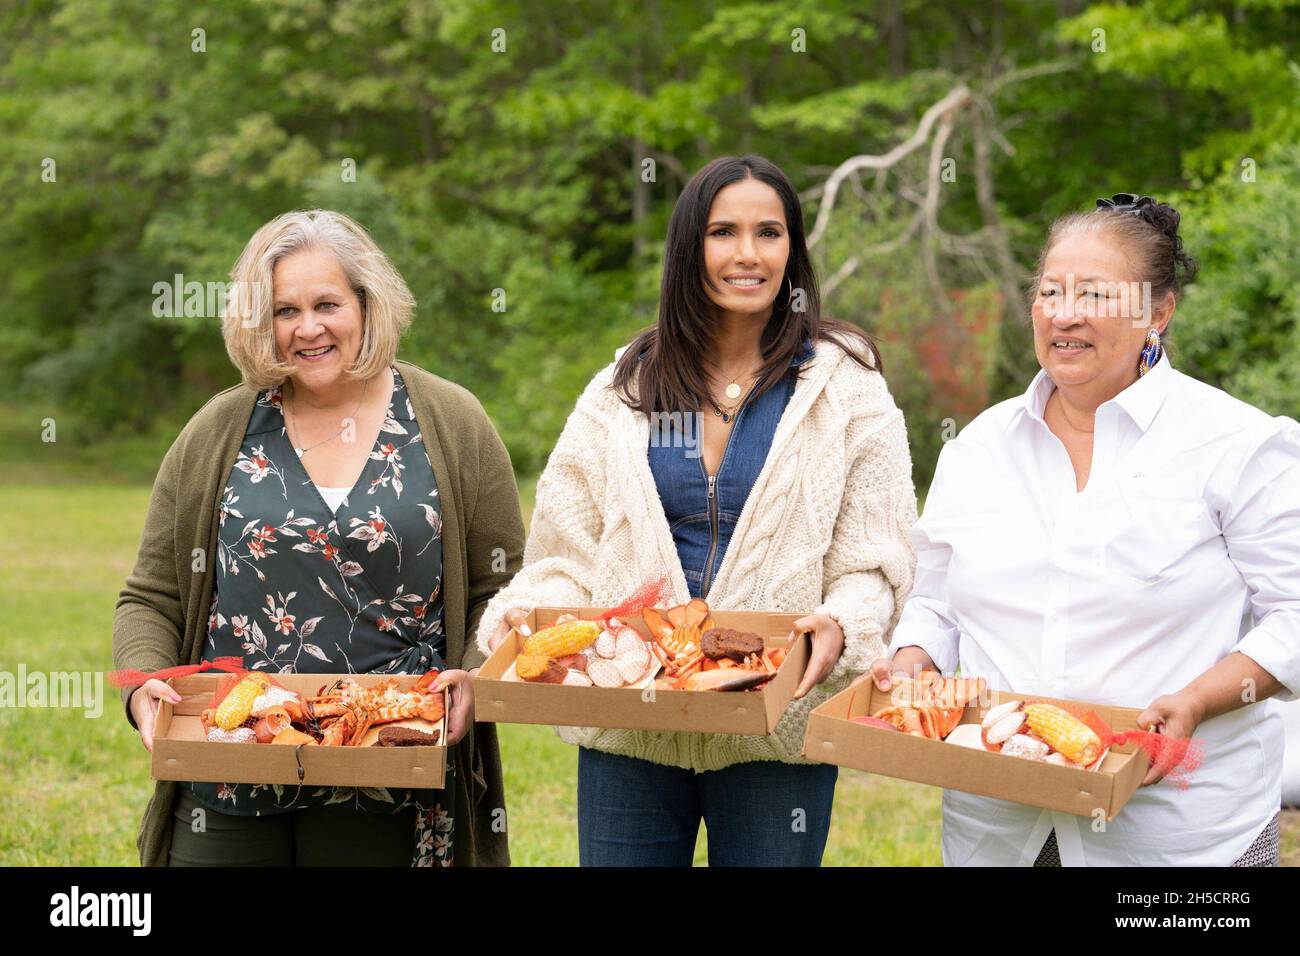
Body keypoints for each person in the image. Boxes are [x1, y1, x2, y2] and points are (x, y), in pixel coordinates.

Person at [477, 155, 918, 866]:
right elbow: (565, 553)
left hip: (778, 733)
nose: (748, 254)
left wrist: (843, 624)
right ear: (691, 249)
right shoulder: (624, 389)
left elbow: (876, 559)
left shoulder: (847, 389)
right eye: (724, 232)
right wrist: (532, 618)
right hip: (631, 727)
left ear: (792, 249)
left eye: (768, 233)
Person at [864, 193, 1300, 866]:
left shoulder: (1238, 445)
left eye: (1094, 294)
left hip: (1173, 837)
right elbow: (936, 600)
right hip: (1000, 827)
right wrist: (915, 662)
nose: (1065, 314)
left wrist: (1194, 701)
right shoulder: (977, 450)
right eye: (1050, 291)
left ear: (1159, 311)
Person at [113, 209, 523, 866]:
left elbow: (502, 586)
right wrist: (145, 688)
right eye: (285, 310)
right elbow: (152, 593)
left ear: (367, 303)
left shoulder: (451, 421)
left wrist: (475, 675)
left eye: (327, 303)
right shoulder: (221, 429)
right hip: (230, 771)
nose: (308, 328)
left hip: (393, 771)